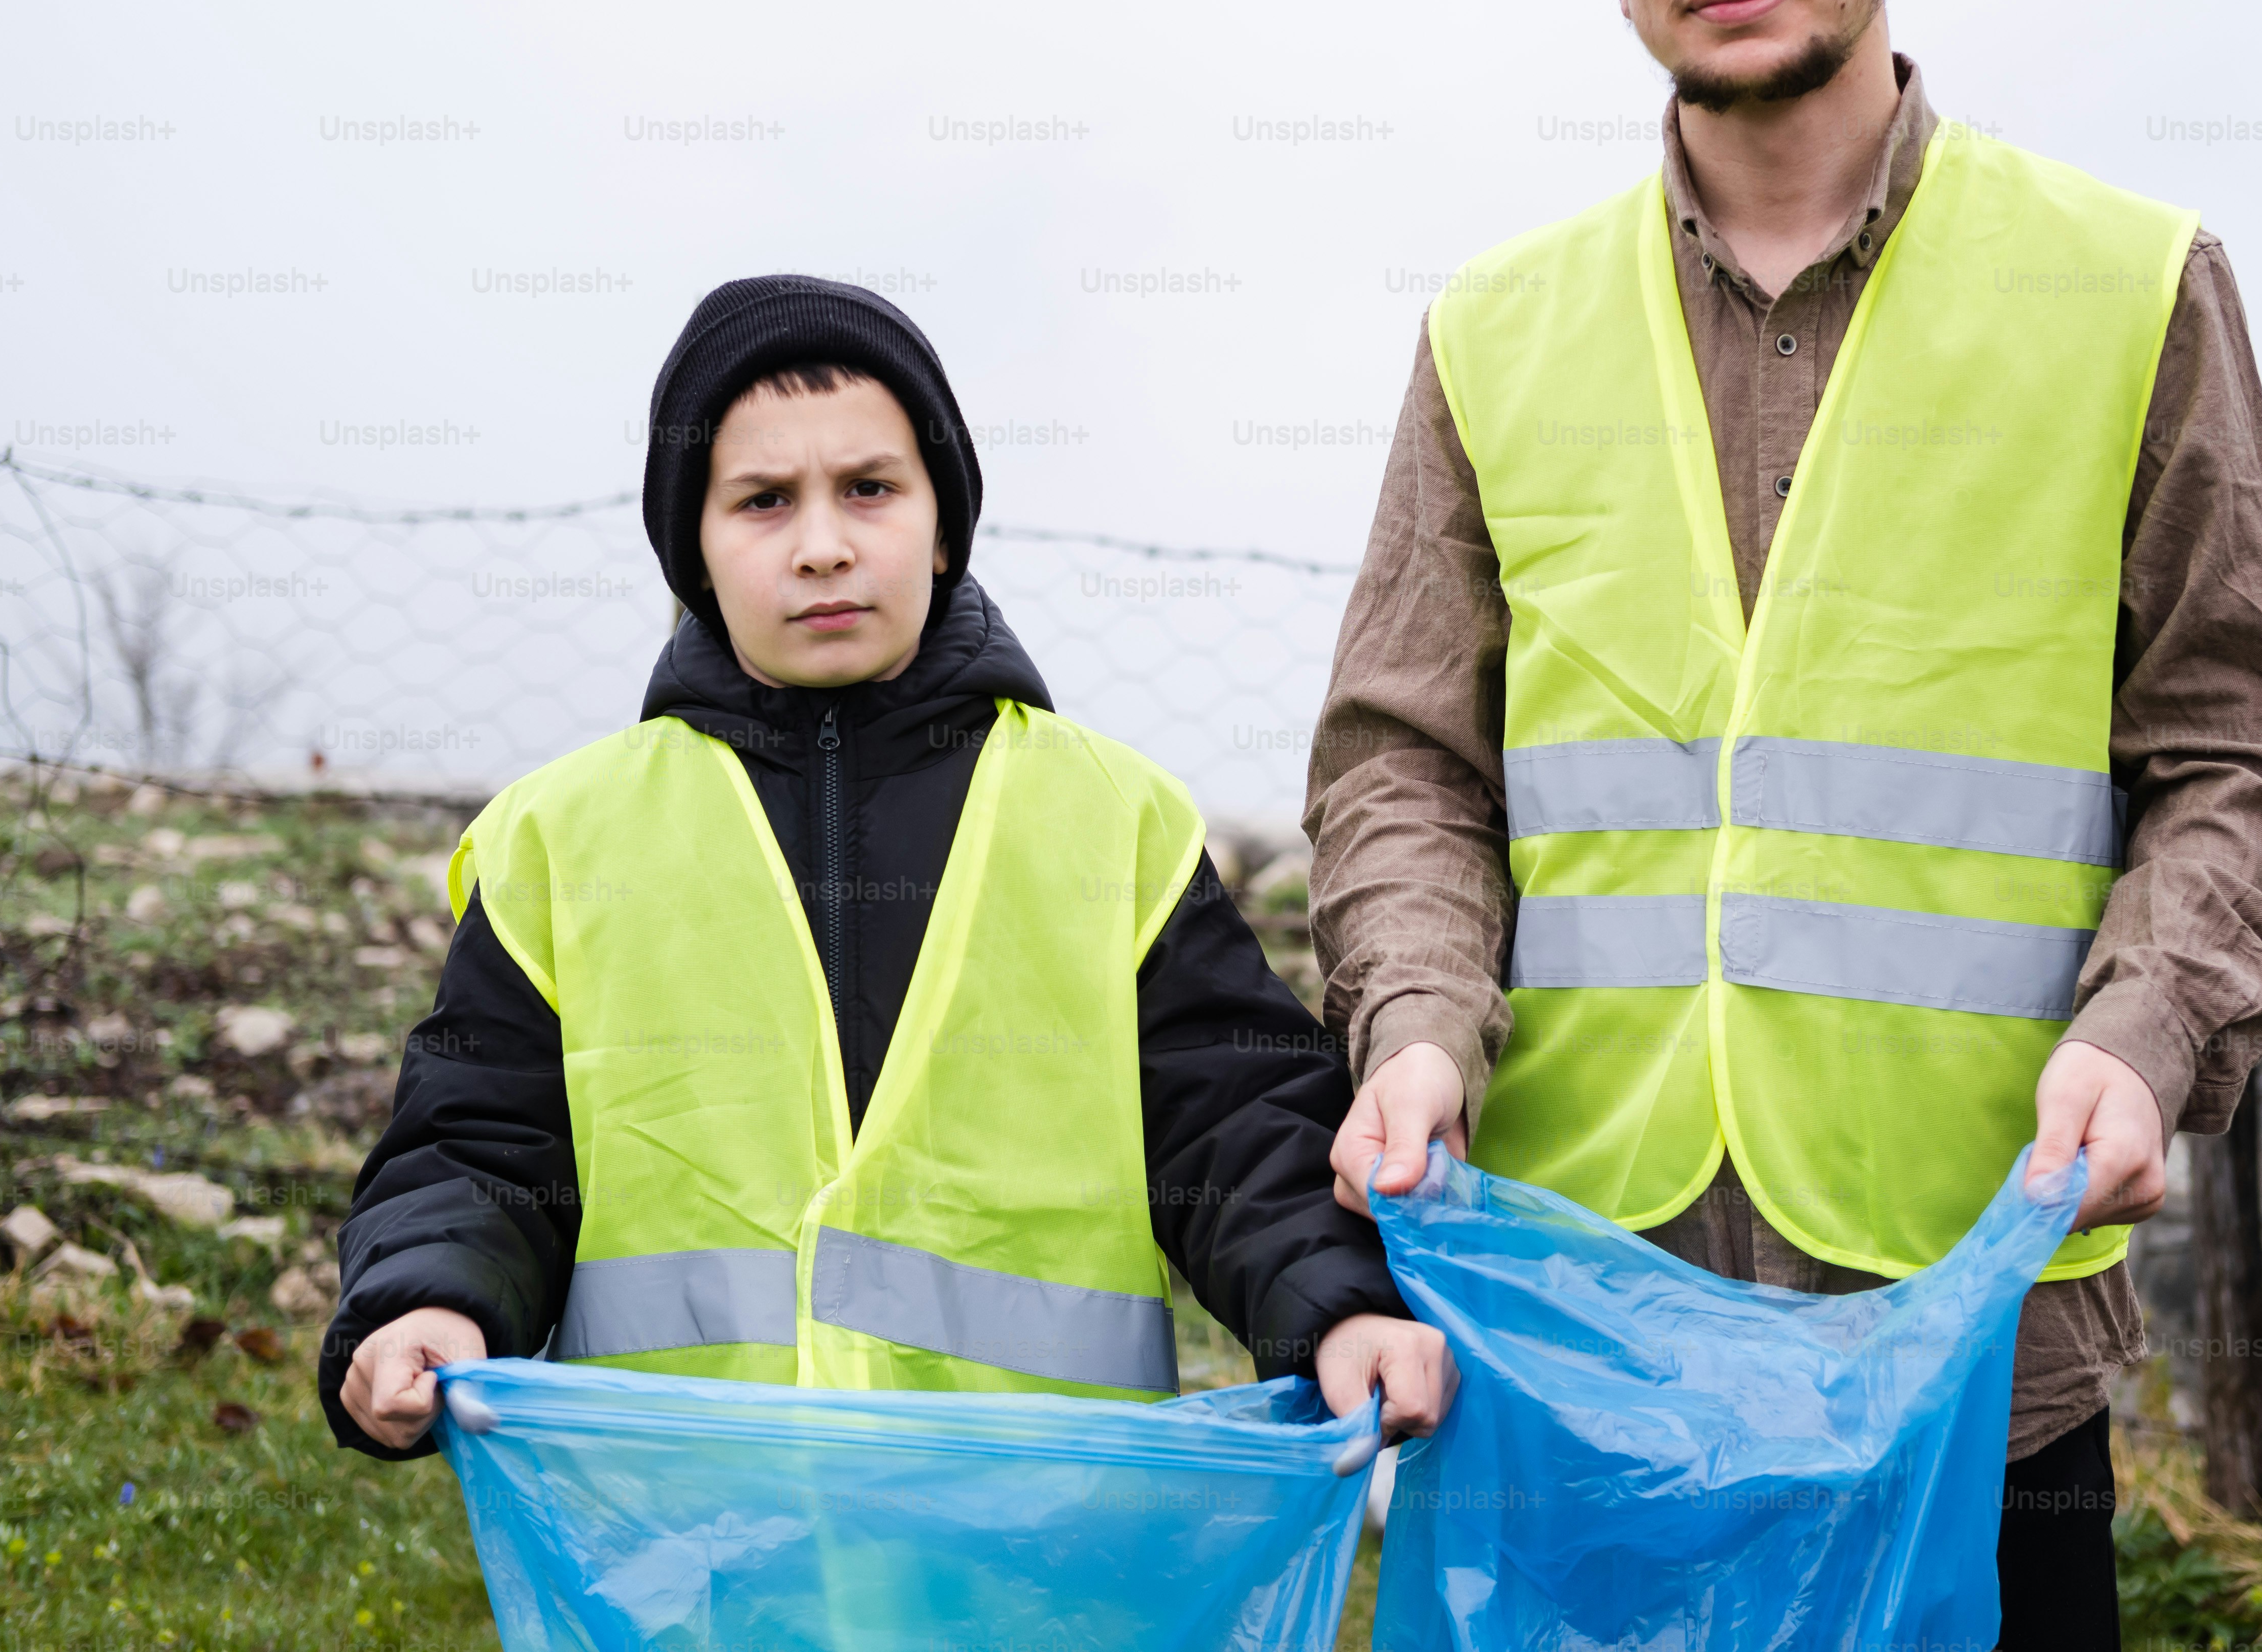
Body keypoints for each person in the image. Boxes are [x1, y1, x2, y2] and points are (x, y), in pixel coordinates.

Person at [1305, 0, 2262, 1649]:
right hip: (1574, 1334)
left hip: (1977, 1338)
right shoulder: (1493, 332)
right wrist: (1419, 1019)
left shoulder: (2128, 285)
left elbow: (2253, 743)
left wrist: (2141, 1038)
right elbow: (1402, 763)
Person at [321, 276, 1454, 1455]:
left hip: (1031, 1538)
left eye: (869, 488)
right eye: (763, 500)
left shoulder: (1111, 818)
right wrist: (429, 1296)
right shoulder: (564, 836)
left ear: (945, 521)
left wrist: (1341, 1306)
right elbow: (477, 1140)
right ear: (693, 553)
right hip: (690, 1542)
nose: (823, 546)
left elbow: (1238, 1122)